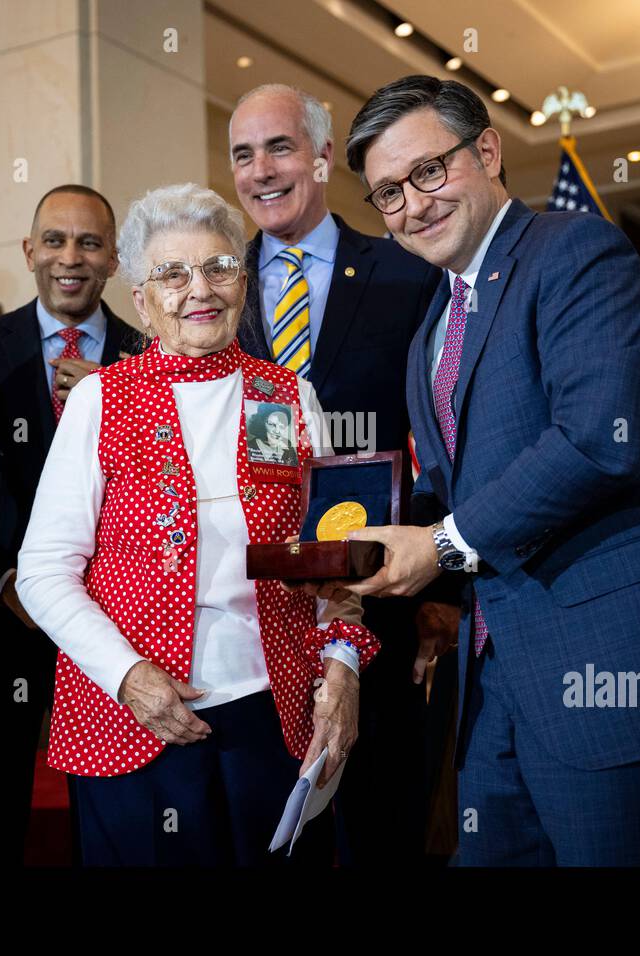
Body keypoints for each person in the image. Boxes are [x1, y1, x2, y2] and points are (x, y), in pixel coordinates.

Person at [338, 75, 640, 866]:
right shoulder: (432, 321)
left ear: (487, 150)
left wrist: (442, 545)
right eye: (388, 193)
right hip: (494, 673)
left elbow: (599, 442)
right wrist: (356, 530)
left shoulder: (577, 251)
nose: (413, 206)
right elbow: (460, 484)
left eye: (429, 172)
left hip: (611, 660)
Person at [15, 183, 379, 865]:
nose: (199, 290)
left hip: (276, 713)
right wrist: (126, 675)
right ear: (141, 302)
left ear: (244, 281)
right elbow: (42, 571)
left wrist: (344, 665)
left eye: (218, 267)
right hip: (130, 716)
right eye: (172, 274)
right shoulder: (101, 400)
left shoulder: (287, 395)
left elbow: (339, 558)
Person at [229, 82, 449, 864]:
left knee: (376, 825)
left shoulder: (406, 270)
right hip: (247, 618)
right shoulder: (215, 292)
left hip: (379, 603)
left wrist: (441, 594)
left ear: (323, 157)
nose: (260, 170)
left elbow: (445, 440)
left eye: (279, 146)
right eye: (242, 154)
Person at [0, 184, 141, 864]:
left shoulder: (148, 358)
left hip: (115, 620)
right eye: (56, 240)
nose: (71, 256)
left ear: (114, 260)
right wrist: (3, 579)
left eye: (90, 242)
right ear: (29, 251)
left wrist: (116, 398)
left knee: (108, 816)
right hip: (3, 615)